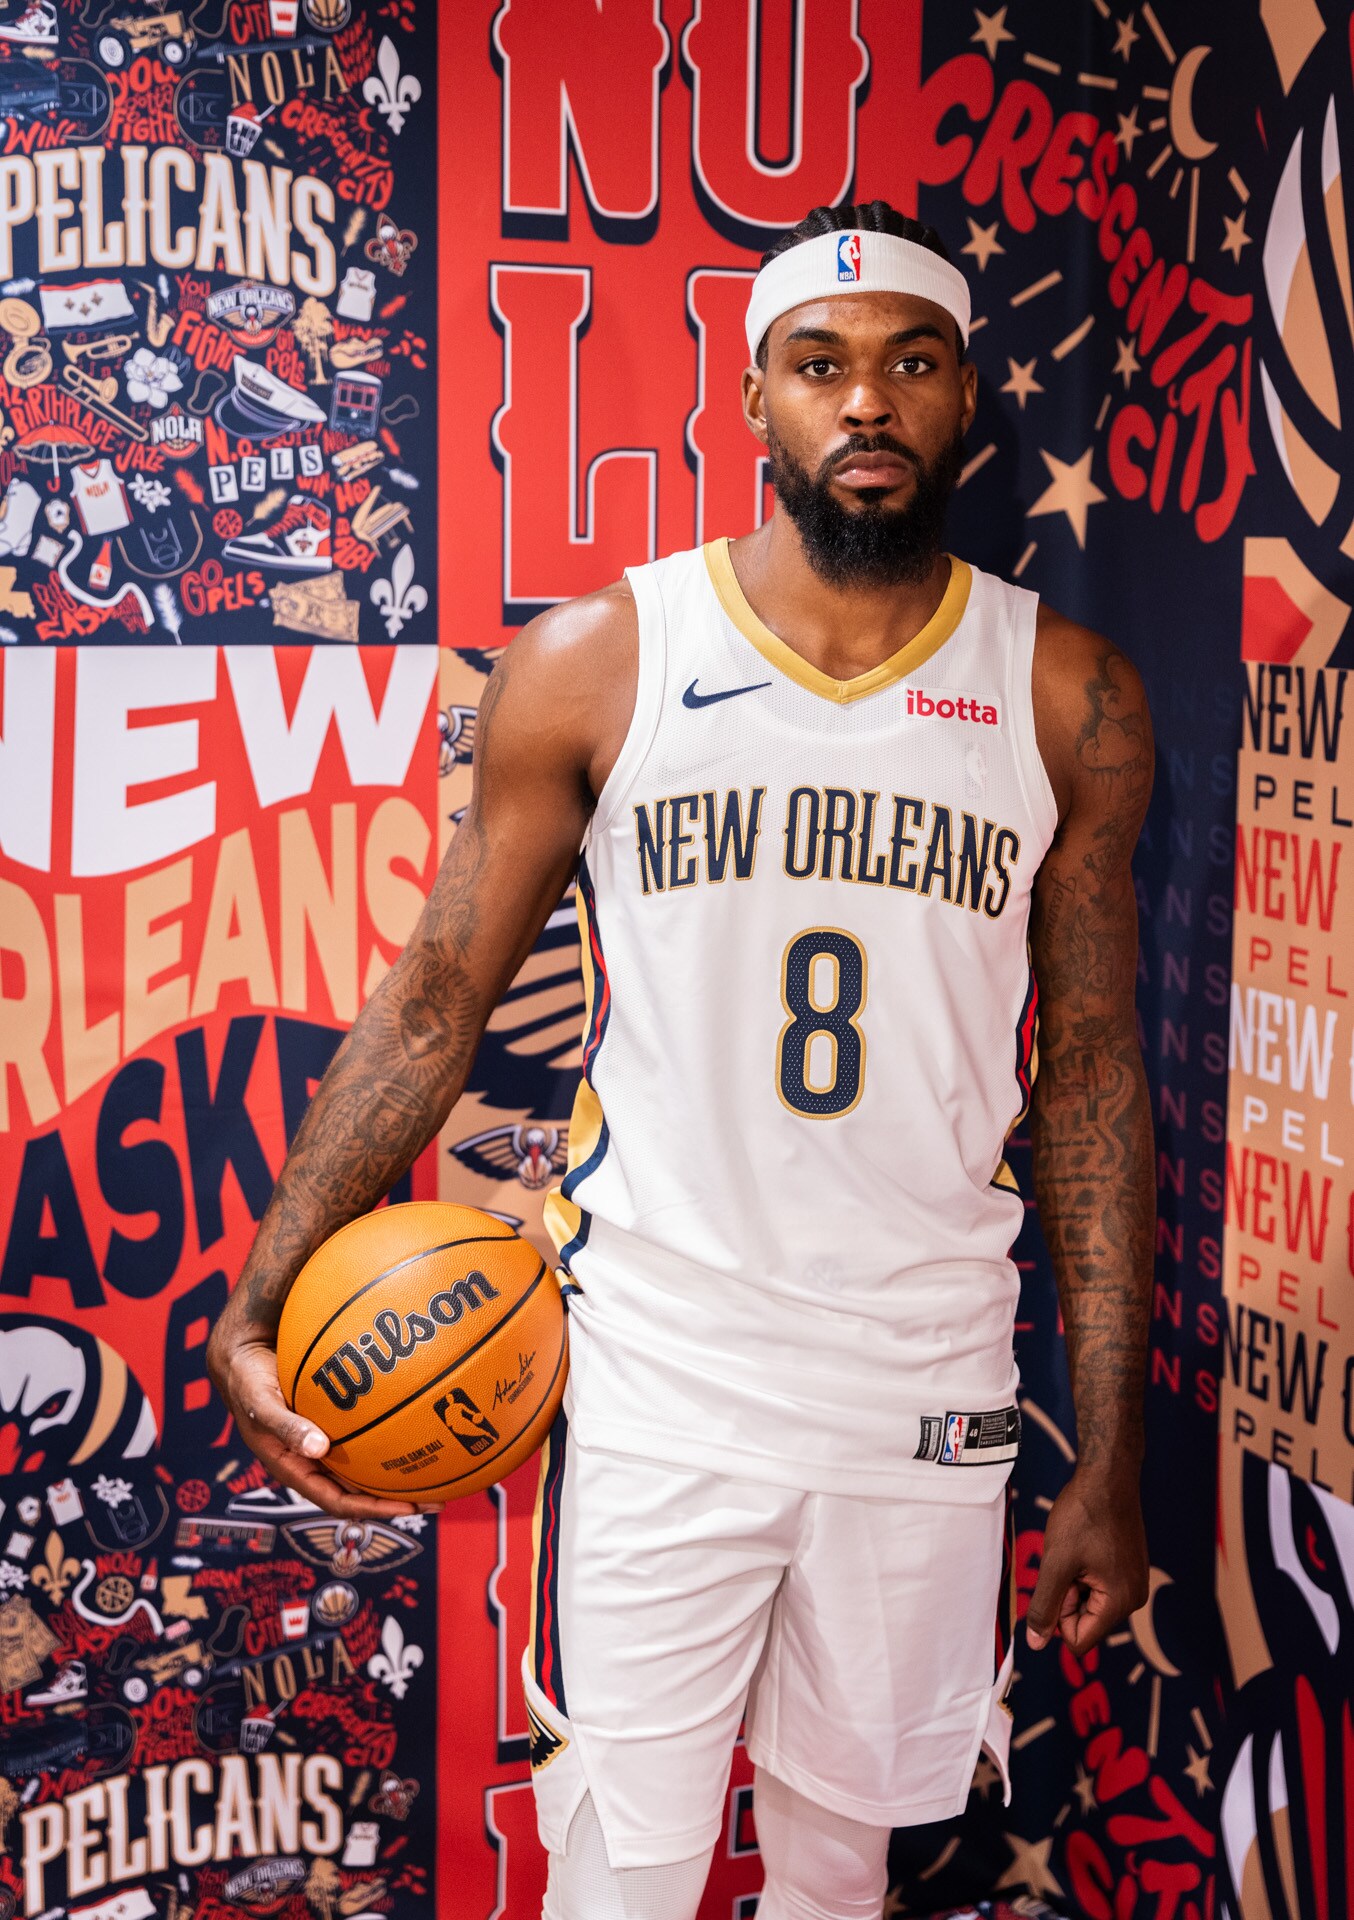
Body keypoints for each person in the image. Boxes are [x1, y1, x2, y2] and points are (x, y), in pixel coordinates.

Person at [208, 199, 1154, 1920]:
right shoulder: (601, 663)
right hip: (663, 1370)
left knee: (837, 1867)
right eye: (819, 366)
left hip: (922, 1383)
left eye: (909, 364)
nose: (863, 404)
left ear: (964, 401)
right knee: (623, 1872)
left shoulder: (1062, 690)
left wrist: (1107, 1451)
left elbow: (1089, 1072)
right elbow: (436, 1001)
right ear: (751, 398)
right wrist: (260, 1296)